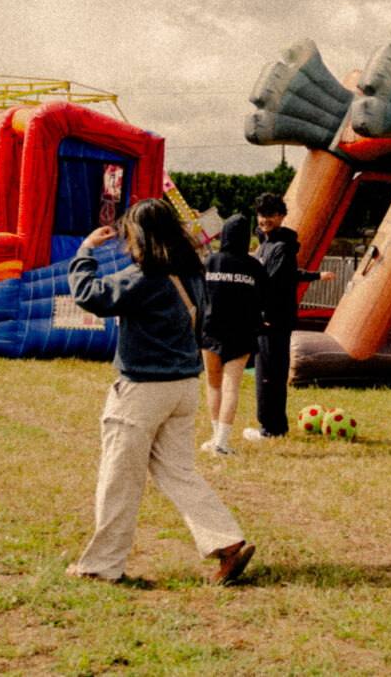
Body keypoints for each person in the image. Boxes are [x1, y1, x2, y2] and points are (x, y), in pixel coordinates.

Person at [67, 197, 255, 585]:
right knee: (179, 473)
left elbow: (89, 295)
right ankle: (227, 543)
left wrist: (86, 250)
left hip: (143, 391)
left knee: (119, 478)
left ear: (138, 235)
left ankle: (102, 567)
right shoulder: (191, 274)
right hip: (184, 387)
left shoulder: (144, 278)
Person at [244, 193, 331, 441]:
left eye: (270, 215)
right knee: (271, 373)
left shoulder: (280, 247)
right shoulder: (268, 244)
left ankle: (269, 429)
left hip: (272, 320)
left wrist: (262, 312)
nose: (264, 220)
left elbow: (271, 282)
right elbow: (291, 275)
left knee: (268, 375)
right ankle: (276, 427)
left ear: (281, 216)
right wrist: (316, 275)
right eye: (261, 215)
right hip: (269, 319)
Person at [199, 213, 264, 455]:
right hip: (241, 333)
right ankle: (222, 443)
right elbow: (263, 297)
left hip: (210, 330)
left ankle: (215, 437)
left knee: (213, 385)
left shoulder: (209, 261)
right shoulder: (254, 266)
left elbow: (199, 294)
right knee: (231, 388)